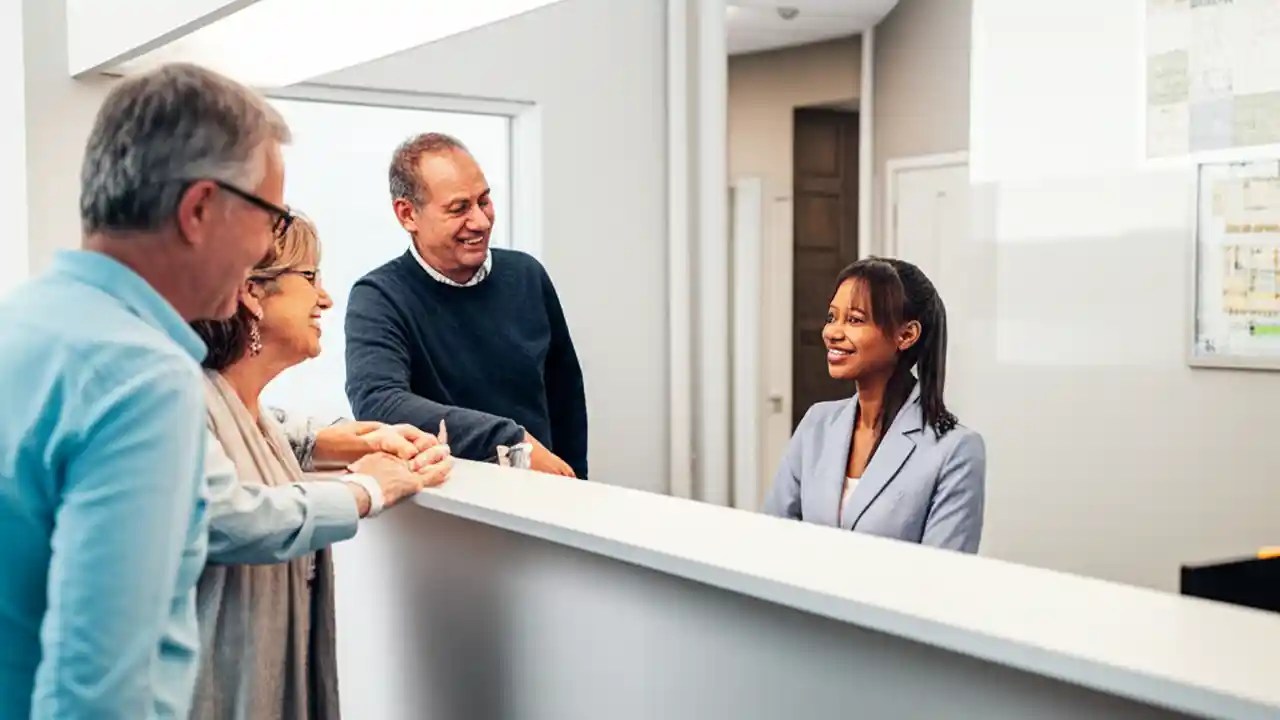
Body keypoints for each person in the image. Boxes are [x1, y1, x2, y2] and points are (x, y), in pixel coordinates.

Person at [0, 63, 291, 719]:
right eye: (271, 216)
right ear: (199, 210)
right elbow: (95, 694)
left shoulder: (22, 324)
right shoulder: (141, 379)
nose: (265, 249)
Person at [188, 214, 453, 719]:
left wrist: (349, 440)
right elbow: (230, 515)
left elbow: (268, 432)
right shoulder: (183, 402)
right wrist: (366, 490)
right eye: (310, 278)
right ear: (251, 292)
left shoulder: (248, 410)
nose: (326, 299)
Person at [345, 132, 588, 478]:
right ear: (407, 214)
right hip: (452, 514)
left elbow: (565, 398)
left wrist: (577, 488)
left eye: (484, 201)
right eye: (459, 209)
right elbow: (379, 403)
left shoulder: (526, 275)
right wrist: (510, 442)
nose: (481, 221)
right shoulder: (379, 297)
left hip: (543, 498)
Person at [764, 258, 985, 553]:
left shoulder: (955, 450)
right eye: (832, 317)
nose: (832, 332)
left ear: (906, 335)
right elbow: (771, 537)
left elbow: (940, 580)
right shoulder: (817, 423)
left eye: (854, 319)